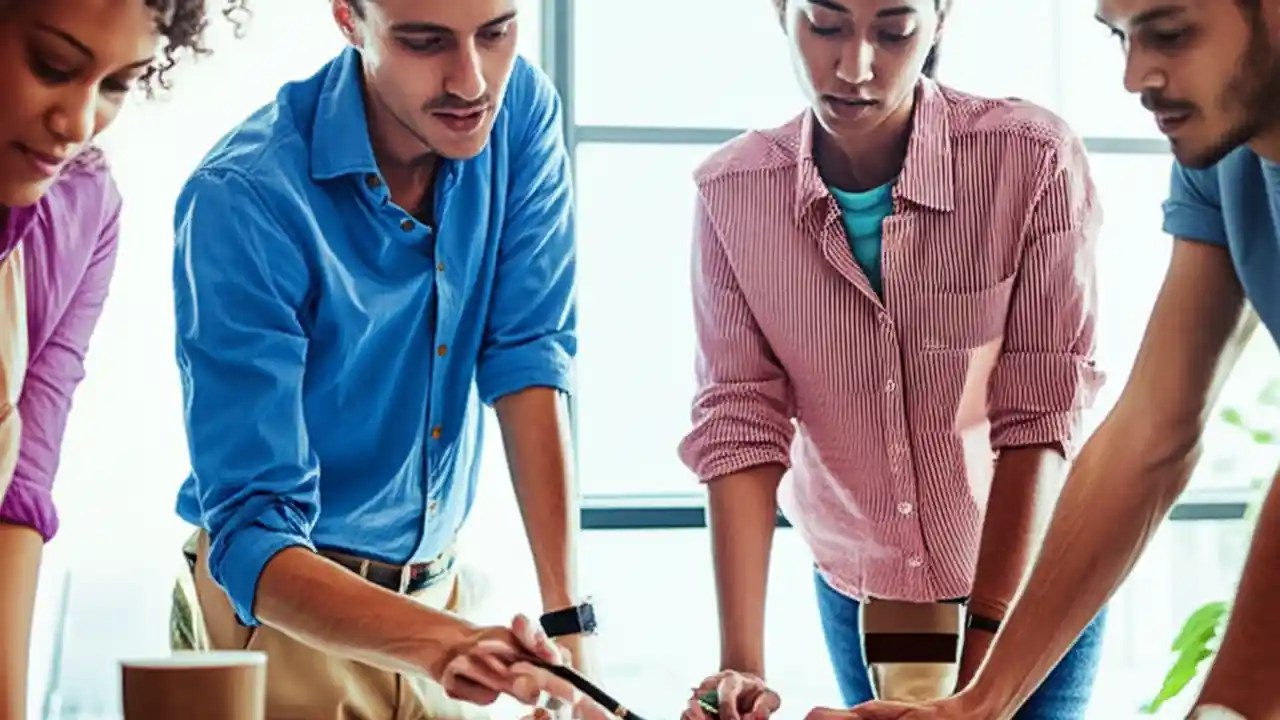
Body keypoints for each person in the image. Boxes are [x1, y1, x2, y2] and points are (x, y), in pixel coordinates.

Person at [837, 0, 1280, 719]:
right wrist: (980, 705)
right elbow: (1152, 432)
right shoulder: (1225, 153)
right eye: (1120, 37)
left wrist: (1226, 704)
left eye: (1168, 33)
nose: (1137, 75)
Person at [167, 0, 604, 717]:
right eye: (425, 42)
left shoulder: (518, 110)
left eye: (495, 33)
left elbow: (528, 356)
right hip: (280, 618)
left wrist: (569, 636)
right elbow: (253, 533)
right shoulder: (244, 199)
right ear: (348, 17)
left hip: (442, 600)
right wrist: (446, 646)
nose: (471, 82)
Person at [676, 0, 1111, 718]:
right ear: (782, 10)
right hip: (860, 583)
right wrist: (739, 667)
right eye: (825, 25)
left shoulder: (1029, 158)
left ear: (941, 18)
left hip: (1032, 582)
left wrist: (981, 680)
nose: (855, 67)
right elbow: (739, 421)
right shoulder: (732, 193)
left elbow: (1041, 412)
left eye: (894, 30)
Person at [0, 1, 251, 716]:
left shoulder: (79, 210)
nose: (78, 124)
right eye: (52, 67)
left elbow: (17, 493)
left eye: (117, 84)